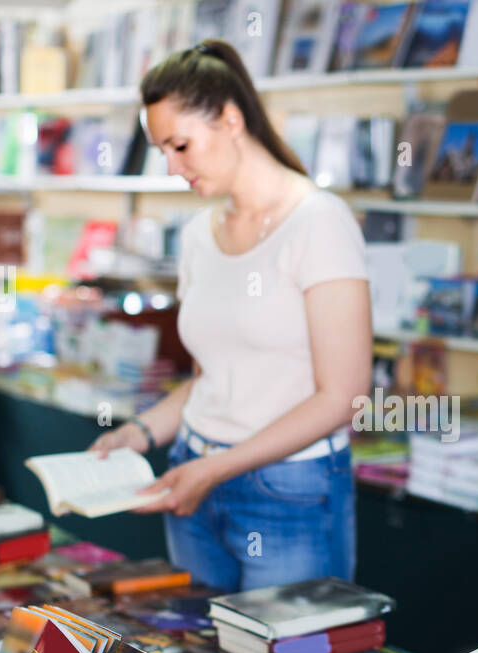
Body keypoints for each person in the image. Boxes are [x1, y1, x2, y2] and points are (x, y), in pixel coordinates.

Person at [90, 40, 372, 593]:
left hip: (287, 490)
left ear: (230, 119)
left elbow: (344, 396)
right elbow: (208, 380)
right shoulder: (199, 235)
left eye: (180, 145)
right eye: (162, 151)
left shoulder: (319, 222)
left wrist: (216, 469)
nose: (172, 167)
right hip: (191, 472)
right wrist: (140, 433)